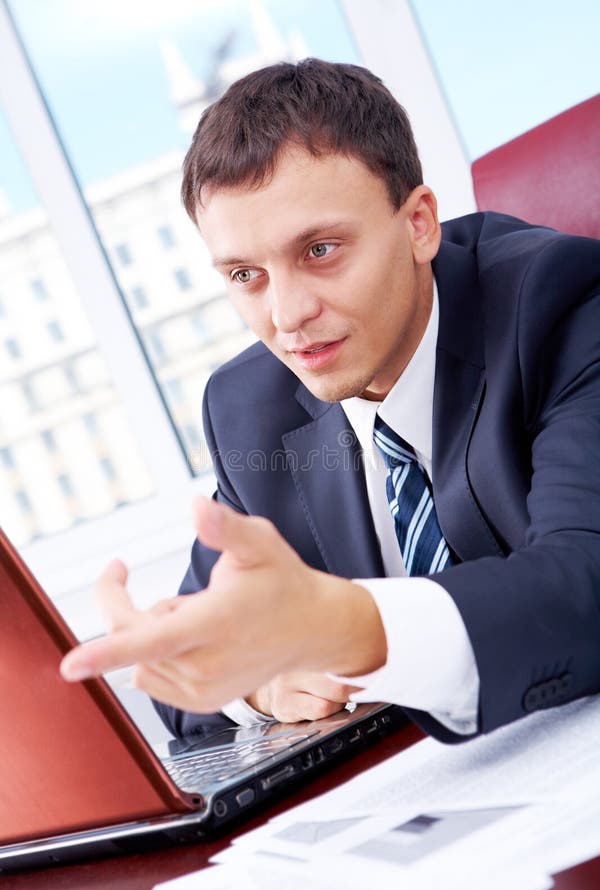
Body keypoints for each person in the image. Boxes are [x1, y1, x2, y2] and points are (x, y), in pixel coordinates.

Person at [61, 59, 600, 744]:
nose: (286, 316)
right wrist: (259, 679)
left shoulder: (560, 301)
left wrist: (345, 626)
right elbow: (189, 667)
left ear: (419, 226)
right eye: (246, 275)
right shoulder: (248, 404)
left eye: (319, 250)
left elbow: (586, 583)